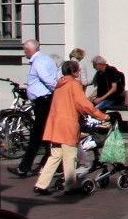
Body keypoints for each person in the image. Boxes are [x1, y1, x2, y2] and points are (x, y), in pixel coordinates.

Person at [33, 59, 102, 195]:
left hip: (55, 125)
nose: (80, 71)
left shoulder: (59, 85)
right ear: (74, 71)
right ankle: (70, 186)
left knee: (55, 155)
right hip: (68, 125)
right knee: (70, 156)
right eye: (78, 69)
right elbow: (84, 104)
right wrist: (101, 116)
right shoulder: (74, 85)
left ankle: (41, 185)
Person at [15, 39, 61, 179]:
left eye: (25, 51)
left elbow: (48, 80)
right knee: (45, 133)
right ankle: (50, 163)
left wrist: (57, 90)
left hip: (43, 101)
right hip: (45, 100)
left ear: (29, 50)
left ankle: (25, 166)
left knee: (37, 134)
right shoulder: (46, 59)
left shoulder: (39, 62)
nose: (25, 53)